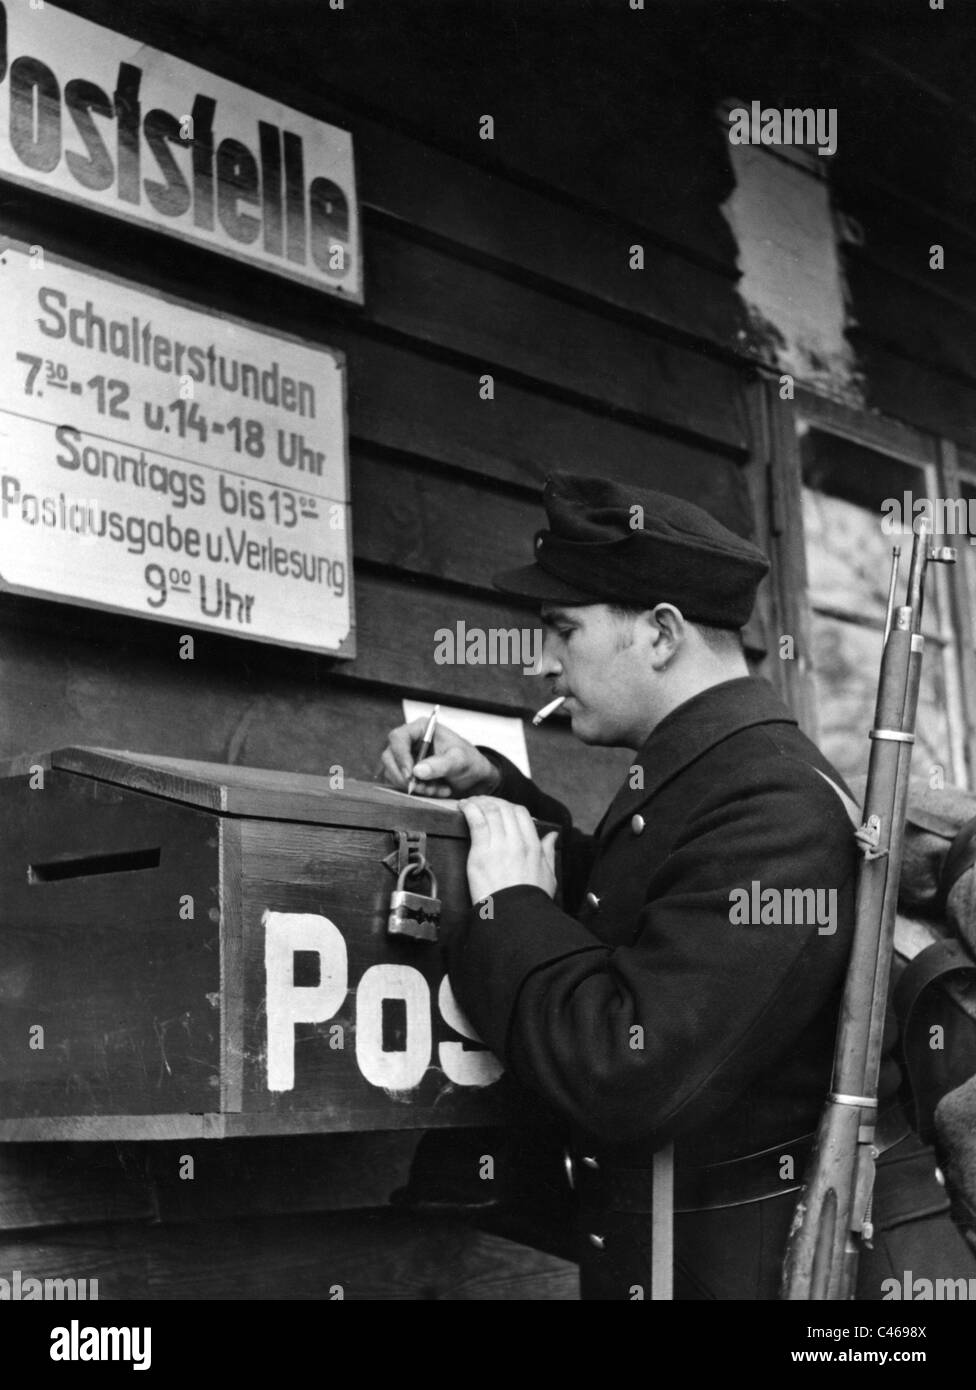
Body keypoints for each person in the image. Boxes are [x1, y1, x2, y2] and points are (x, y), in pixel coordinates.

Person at [380, 473, 975, 1300]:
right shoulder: (720, 779)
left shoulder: (774, 810)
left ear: (661, 633)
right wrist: (505, 794)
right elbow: (656, 910)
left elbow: (631, 1076)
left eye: (564, 629)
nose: (545, 660)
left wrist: (508, 907)